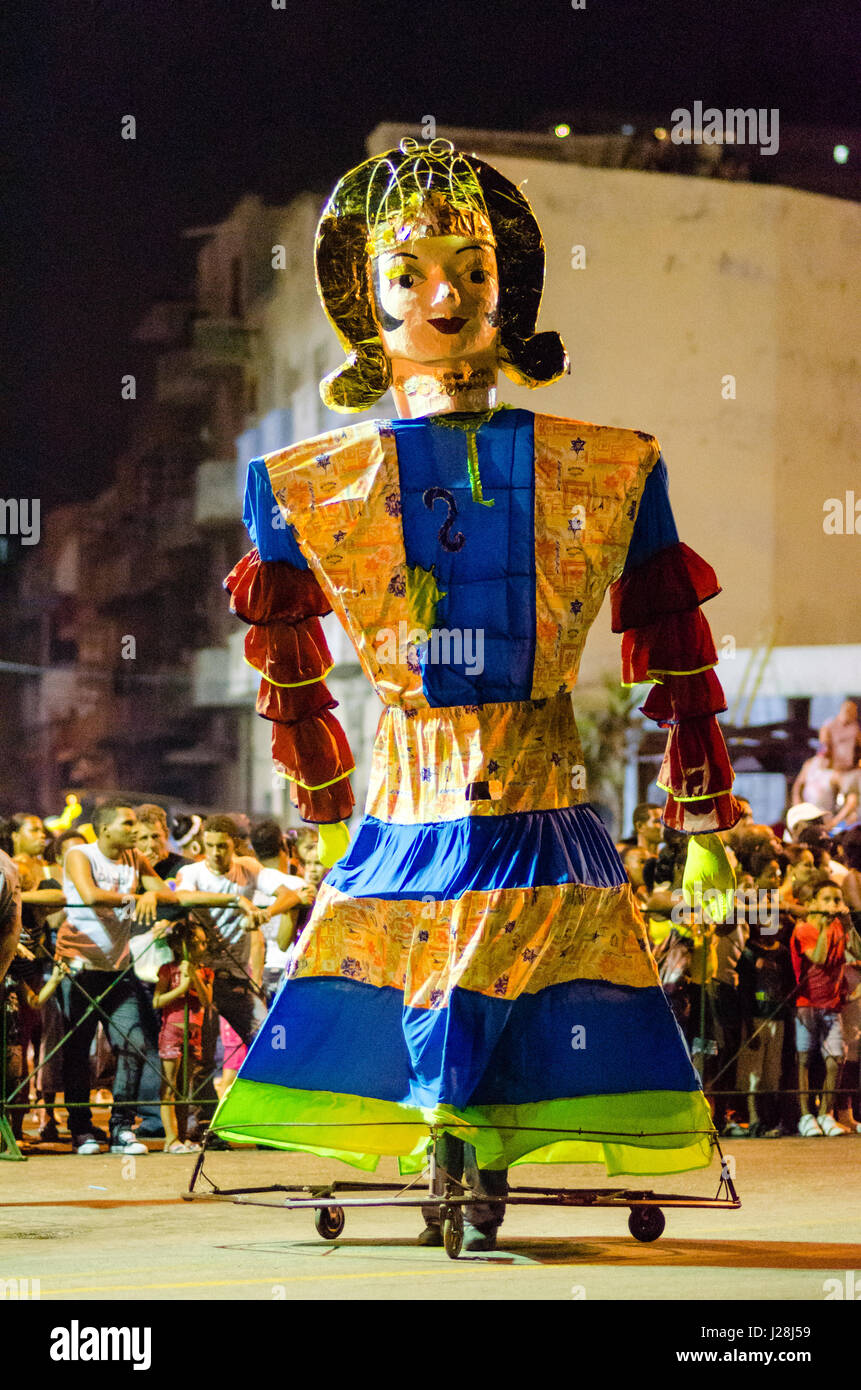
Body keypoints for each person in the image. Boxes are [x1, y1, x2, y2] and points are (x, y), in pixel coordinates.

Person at [213, 138, 740, 1253]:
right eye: (408, 271)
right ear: (367, 297)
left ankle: (475, 1157)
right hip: (406, 817)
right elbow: (291, 661)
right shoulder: (307, 484)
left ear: (510, 285)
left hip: (543, 805)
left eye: (471, 265)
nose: (445, 295)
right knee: (430, 990)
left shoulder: (611, 466)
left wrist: (703, 822)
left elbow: (674, 641)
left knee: (525, 995)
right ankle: (452, 1157)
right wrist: (322, 812)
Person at [56, 798, 180, 1155]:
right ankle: (81, 1129)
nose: (135, 830)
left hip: (117, 970)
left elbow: (164, 893)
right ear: (105, 828)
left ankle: (121, 1127)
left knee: (135, 1043)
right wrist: (134, 898)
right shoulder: (81, 854)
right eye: (127, 824)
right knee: (77, 1051)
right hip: (78, 967)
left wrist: (151, 899)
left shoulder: (135, 859)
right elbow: (91, 895)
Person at [790, 874, 849, 1136]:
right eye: (827, 899)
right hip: (807, 1005)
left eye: (837, 900)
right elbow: (819, 957)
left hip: (832, 1005)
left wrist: (849, 925)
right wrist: (826, 925)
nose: (833, 905)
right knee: (804, 1059)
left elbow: (857, 951)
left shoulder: (839, 926)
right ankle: (805, 1115)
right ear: (813, 902)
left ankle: (826, 1113)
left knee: (835, 1060)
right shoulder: (804, 929)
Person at [152, 921, 213, 1153]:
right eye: (197, 943)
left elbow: (207, 1001)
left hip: (193, 1033)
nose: (202, 947)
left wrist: (194, 977)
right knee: (169, 1086)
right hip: (172, 1031)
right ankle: (170, 1138)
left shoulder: (205, 972)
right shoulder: (168, 970)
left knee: (184, 1088)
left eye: (205, 942)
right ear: (180, 945)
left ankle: (183, 1135)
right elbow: (157, 1001)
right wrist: (180, 988)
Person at [248, 818, 311, 1001]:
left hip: (251, 971)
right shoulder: (296, 885)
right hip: (284, 967)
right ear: (283, 844)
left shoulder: (249, 883)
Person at [819, 700, 861, 774]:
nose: (855, 715)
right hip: (832, 769)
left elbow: (859, 745)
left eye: (855, 712)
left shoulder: (854, 728)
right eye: (852, 712)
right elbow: (824, 748)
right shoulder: (829, 726)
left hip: (849, 769)